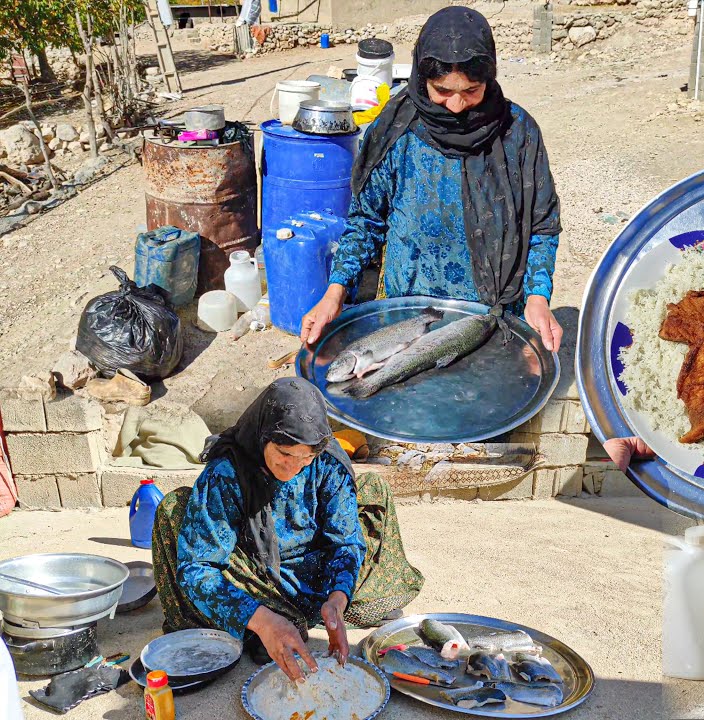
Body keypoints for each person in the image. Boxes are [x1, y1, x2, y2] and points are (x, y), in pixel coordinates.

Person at [300, 7, 564, 352]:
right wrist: (335, 292)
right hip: (410, 318)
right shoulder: (395, 131)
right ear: (421, 78)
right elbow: (366, 220)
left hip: (492, 317)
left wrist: (538, 296)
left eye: (471, 90)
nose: (456, 105)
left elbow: (542, 225)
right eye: (442, 90)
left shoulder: (517, 132)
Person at [152, 379, 423, 681]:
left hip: (315, 571)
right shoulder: (228, 472)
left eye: (306, 457)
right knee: (175, 509)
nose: (295, 466)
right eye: (284, 453)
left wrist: (337, 598)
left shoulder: (327, 462)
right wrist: (263, 620)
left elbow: (345, 543)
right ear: (262, 436)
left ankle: (304, 616)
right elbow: (198, 568)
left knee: (374, 492)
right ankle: (270, 621)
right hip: (255, 576)